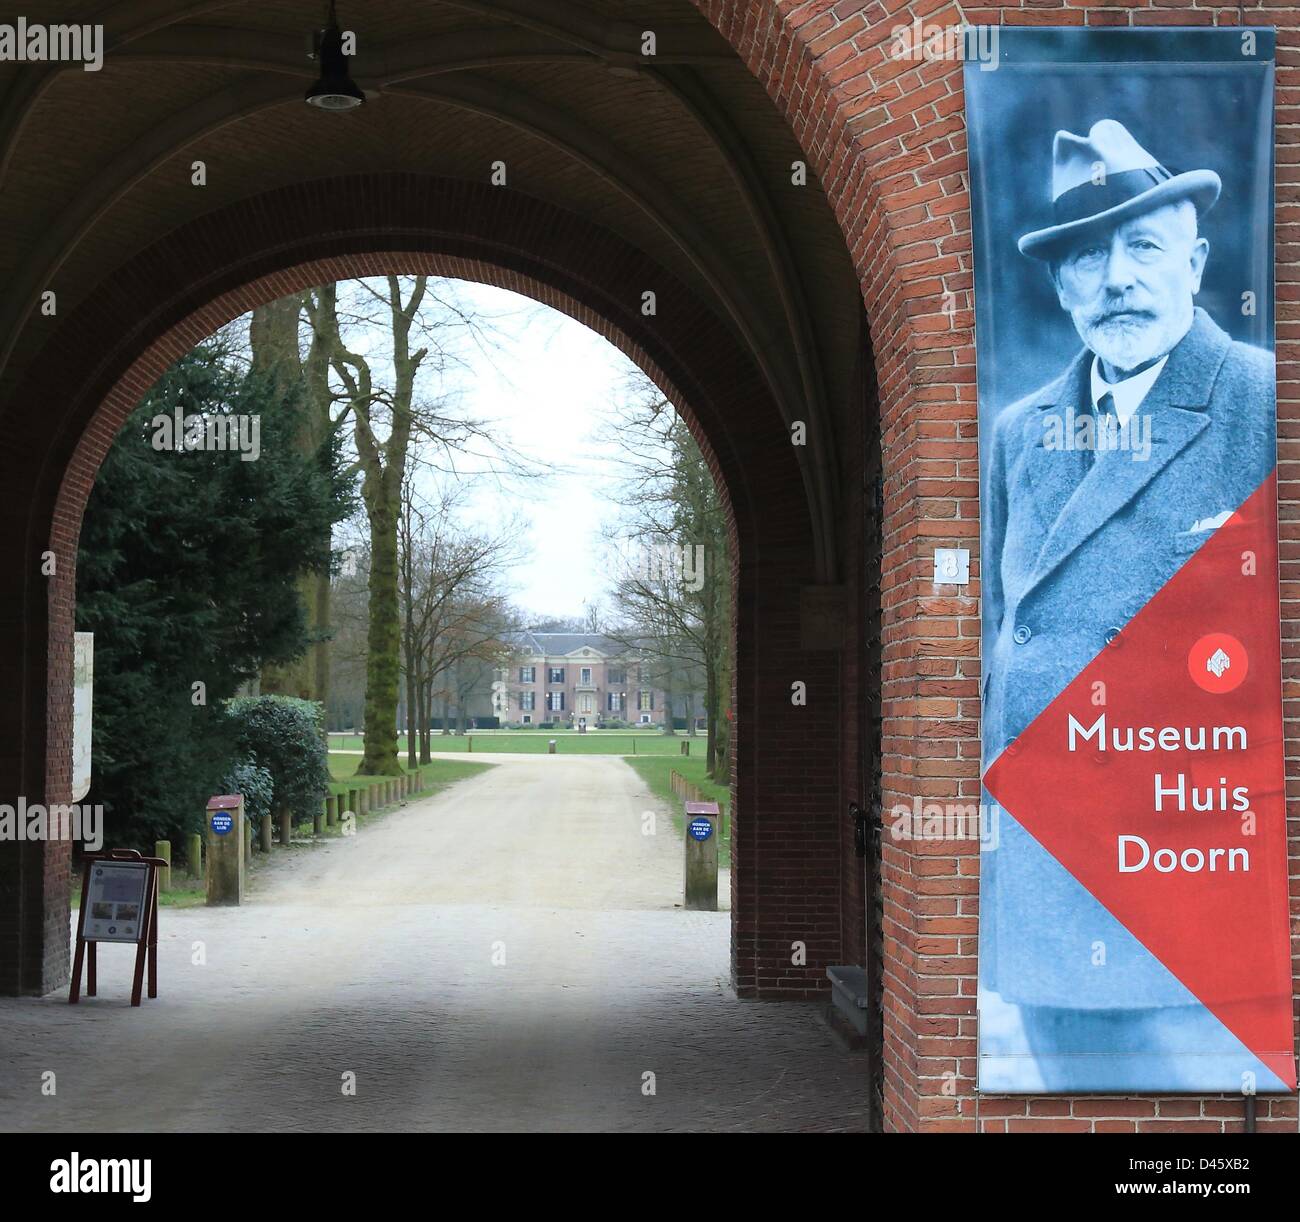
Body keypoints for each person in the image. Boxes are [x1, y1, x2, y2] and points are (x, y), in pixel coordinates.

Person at [979, 119, 1276, 1089]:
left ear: (1194, 264)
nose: (1115, 279)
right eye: (1084, 256)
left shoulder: (1262, 403)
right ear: (1059, 283)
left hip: (1195, 907)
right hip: (1046, 900)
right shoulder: (1021, 437)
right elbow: (1004, 643)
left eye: (1142, 246)